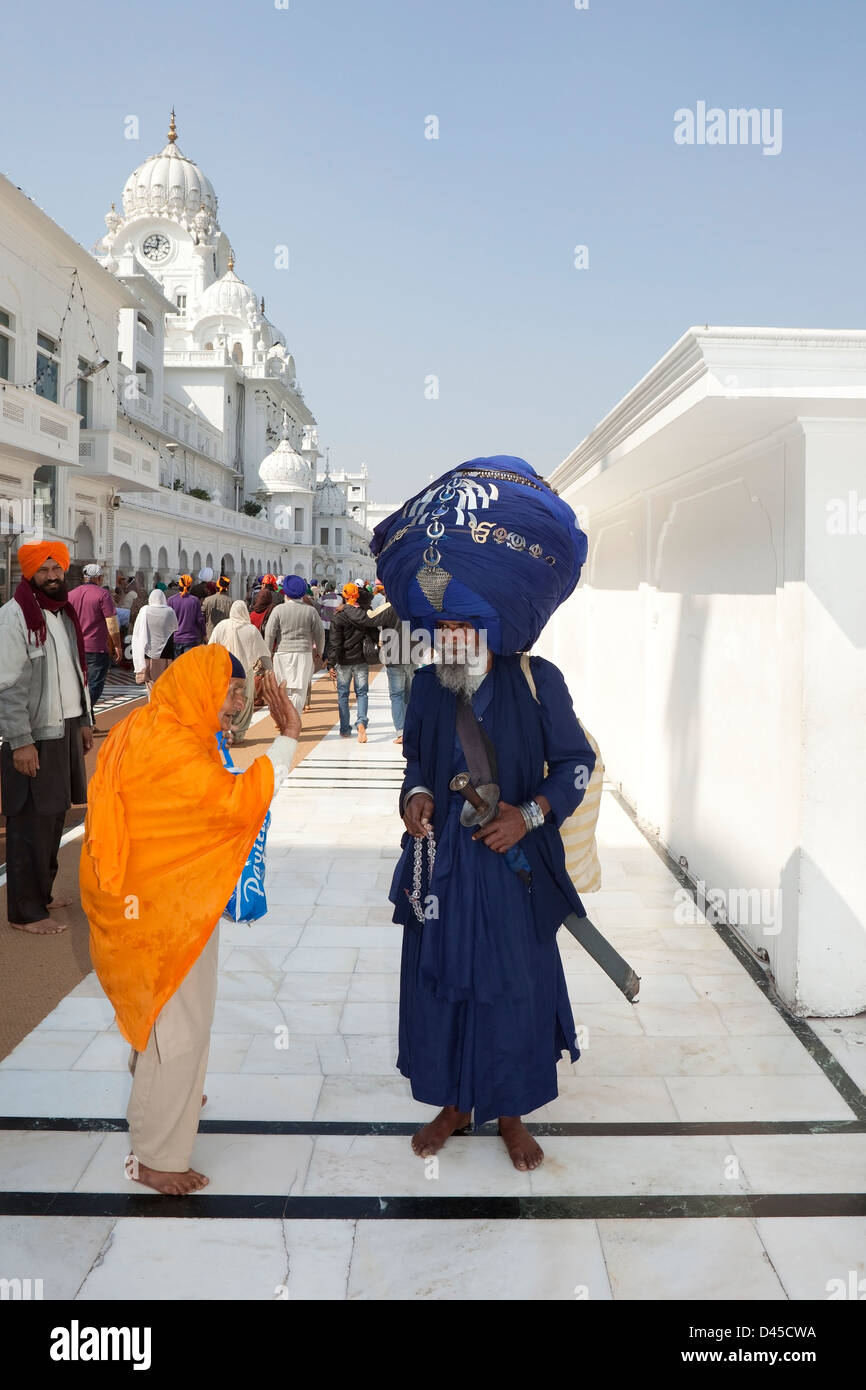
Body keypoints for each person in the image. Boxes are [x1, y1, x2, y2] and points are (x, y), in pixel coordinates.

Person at [371, 454, 595, 1172]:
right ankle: (452, 1102)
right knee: (442, 984)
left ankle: (510, 1112)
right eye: (441, 624)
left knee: (512, 988)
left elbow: (577, 768)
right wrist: (416, 800)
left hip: (513, 869)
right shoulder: (433, 688)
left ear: (495, 624)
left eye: (463, 623)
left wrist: (529, 815)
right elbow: (418, 766)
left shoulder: (539, 682)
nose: (449, 635)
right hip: (443, 867)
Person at [80, 649, 301, 1196]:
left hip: (137, 904)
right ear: (201, 686)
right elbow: (234, 806)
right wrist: (289, 735)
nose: (236, 705)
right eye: (229, 692)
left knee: (160, 1014)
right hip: (165, 916)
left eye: (238, 694)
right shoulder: (177, 746)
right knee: (182, 1023)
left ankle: (164, 1092)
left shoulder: (149, 723)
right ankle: (156, 1155)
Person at [0, 542, 94, 935]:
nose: (53, 576)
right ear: (29, 574)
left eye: (58, 569)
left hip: (66, 728)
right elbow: (8, 685)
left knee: (55, 816)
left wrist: (86, 719)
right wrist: (20, 740)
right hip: (36, 735)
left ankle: (43, 892)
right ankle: (26, 912)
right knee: (29, 823)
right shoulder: (14, 616)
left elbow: (75, 671)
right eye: (45, 570)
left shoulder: (61, 613)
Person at [326, 582, 382, 743]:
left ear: (344, 595)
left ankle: (344, 729)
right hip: (361, 659)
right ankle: (361, 722)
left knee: (343, 695)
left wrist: (331, 663)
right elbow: (373, 633)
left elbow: (335, 643)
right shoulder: (364, 613)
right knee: (362, 693)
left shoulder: (338, 616)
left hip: (344, 661)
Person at [209, 601, 273, 741]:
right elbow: (264, 654)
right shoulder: (251, 630)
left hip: (223, 672)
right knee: (244, 703)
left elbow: (211, 648)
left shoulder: (221, 626)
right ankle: (237, 735)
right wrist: (270, 671)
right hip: (244, 673)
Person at [67, 563, 123, 710]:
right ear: (98, 578)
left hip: (74, 647)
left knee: (78, 684)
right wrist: (117, 646)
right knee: (94, 685)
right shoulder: (102, 595)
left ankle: (88, 722)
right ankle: (81, 713)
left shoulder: (71, 594)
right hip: (96, 648)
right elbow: (112, 624)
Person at [267, 576, 325, 716]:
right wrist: (320, 651)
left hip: (282, 653)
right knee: (300, 689)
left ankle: (286, 718)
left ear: (286, 592)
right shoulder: (310, 611)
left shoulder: (278, 610)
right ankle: (294, 717)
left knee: (283, 688)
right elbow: (320, 633)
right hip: (303, 653)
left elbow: (269, 633)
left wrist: (268, 652)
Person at [131, 590, 178, 697]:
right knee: (165, 681)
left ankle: (152, 706)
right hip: (166, 652)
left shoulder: (145, 610)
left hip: (149, 651)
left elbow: (138, 632)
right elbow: (175, 627)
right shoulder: (169, 611)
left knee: (150, 680)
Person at [167, 574, 205, 654]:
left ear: (179, 585)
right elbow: (200, 620)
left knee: (178, 664)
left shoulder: (171, 600)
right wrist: (204, 634)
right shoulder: (194, 601)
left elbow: (168, 621)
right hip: (191, 639)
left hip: (176, 638)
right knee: (189, 665)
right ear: (190, 586)